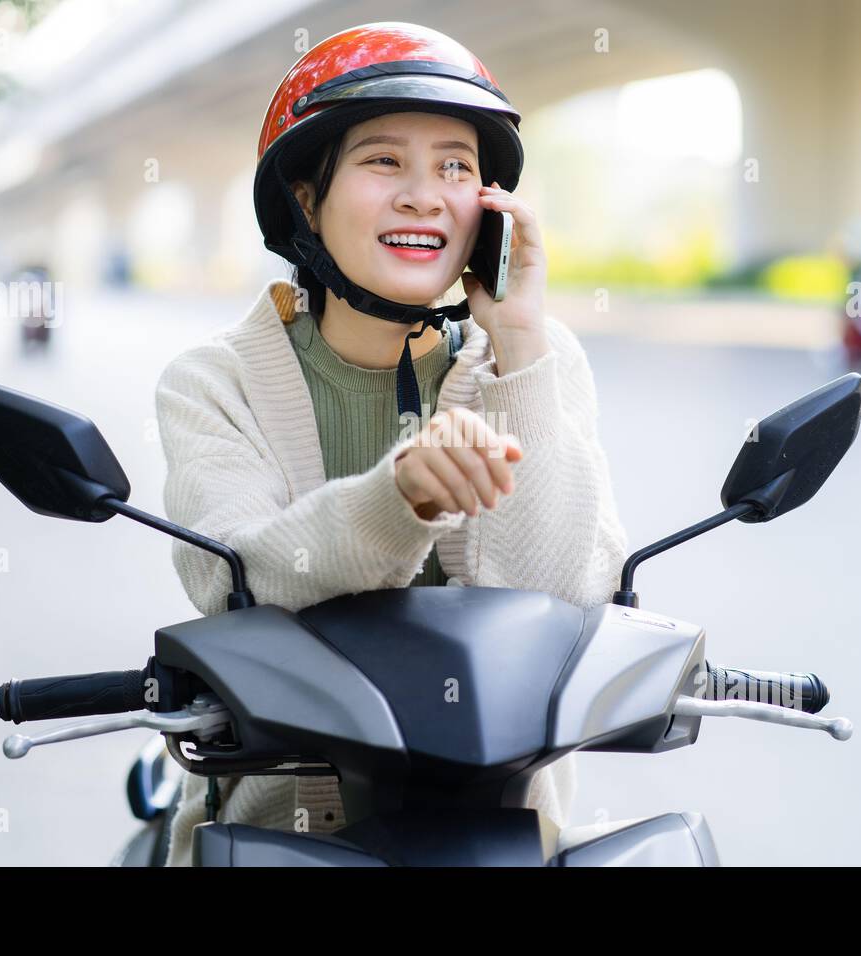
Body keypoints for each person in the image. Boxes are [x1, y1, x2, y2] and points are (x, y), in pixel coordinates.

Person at [154, 21, 629, 866]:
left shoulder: (539, 361)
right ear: (306, 199)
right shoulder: (214, 383)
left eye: (455, 166)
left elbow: (570, 598)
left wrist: (519, 344)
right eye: (384, 162)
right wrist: (398, 498)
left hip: (513, 839)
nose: (424, 195)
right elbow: (237, 582)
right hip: (281, 841)